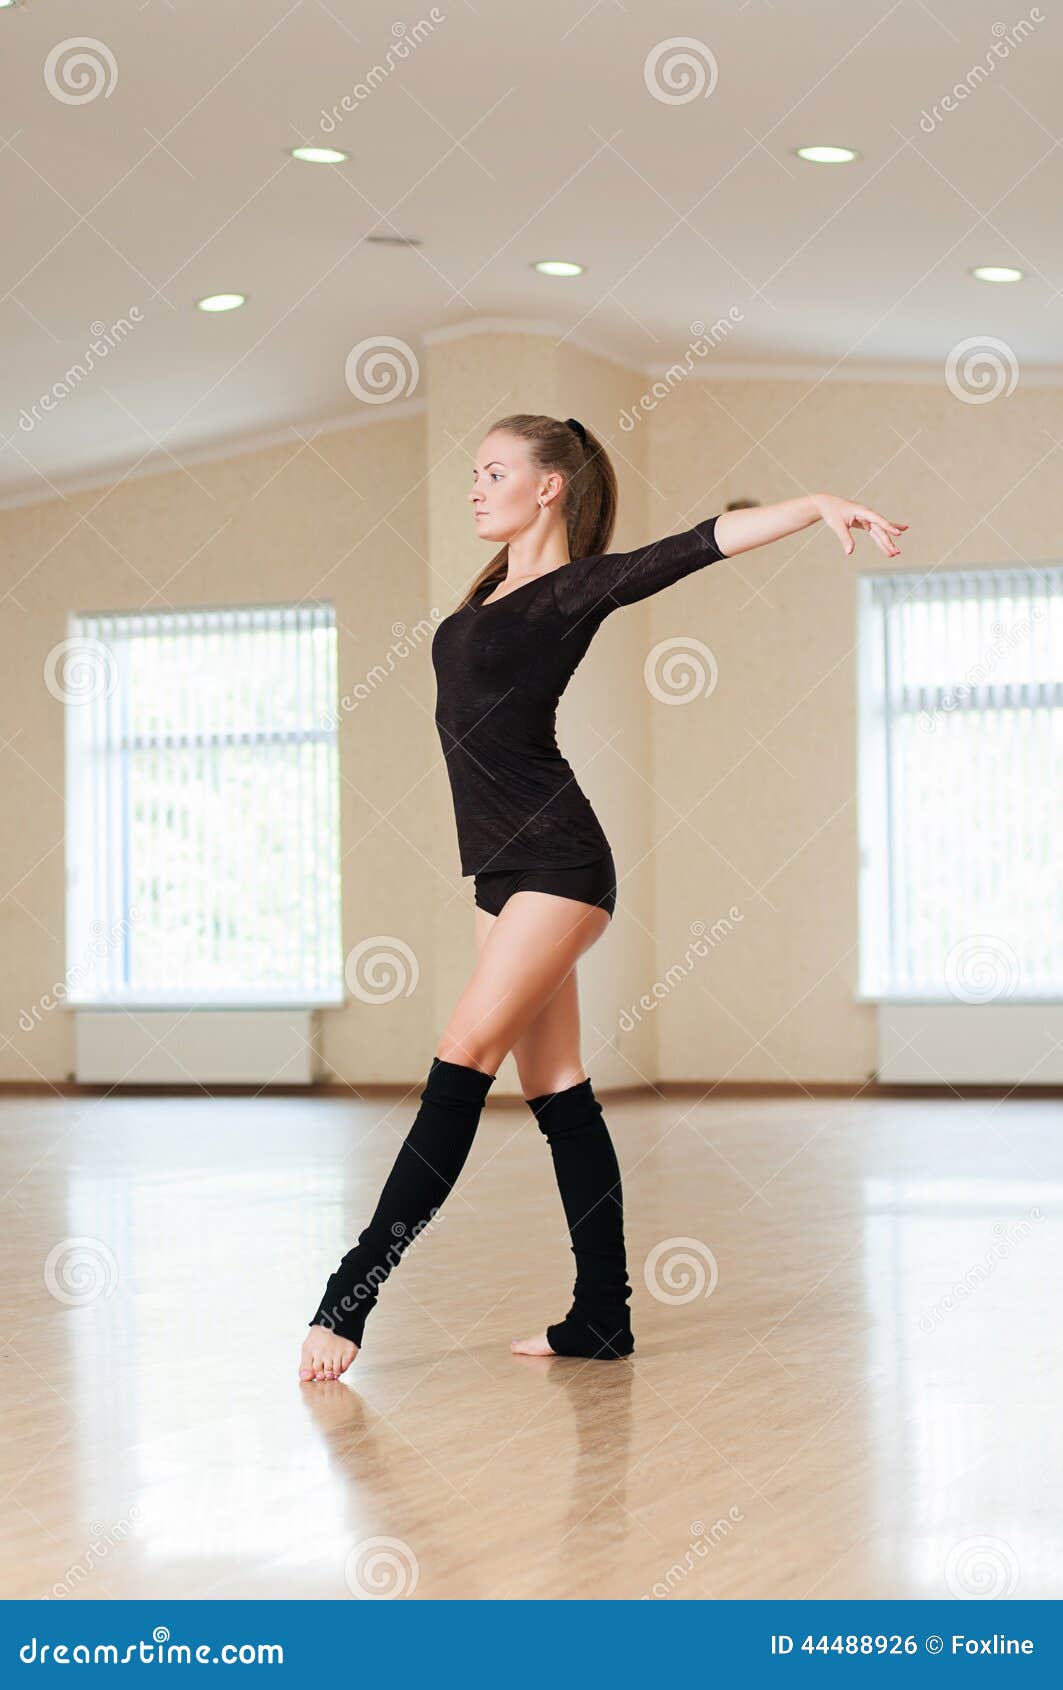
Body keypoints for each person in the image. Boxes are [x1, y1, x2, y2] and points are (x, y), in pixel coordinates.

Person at [299, 413, 907, 1381]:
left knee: (461, 1060)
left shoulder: (570, 590)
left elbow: (695, 545)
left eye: (493, 471)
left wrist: (811, 506)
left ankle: (347, 1299)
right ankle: (600, 1318)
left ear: (547, 486)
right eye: (472, 472)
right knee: (557, 1088)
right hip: (501, 872)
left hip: (559, 862)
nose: (474, 487)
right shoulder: (487, 594)